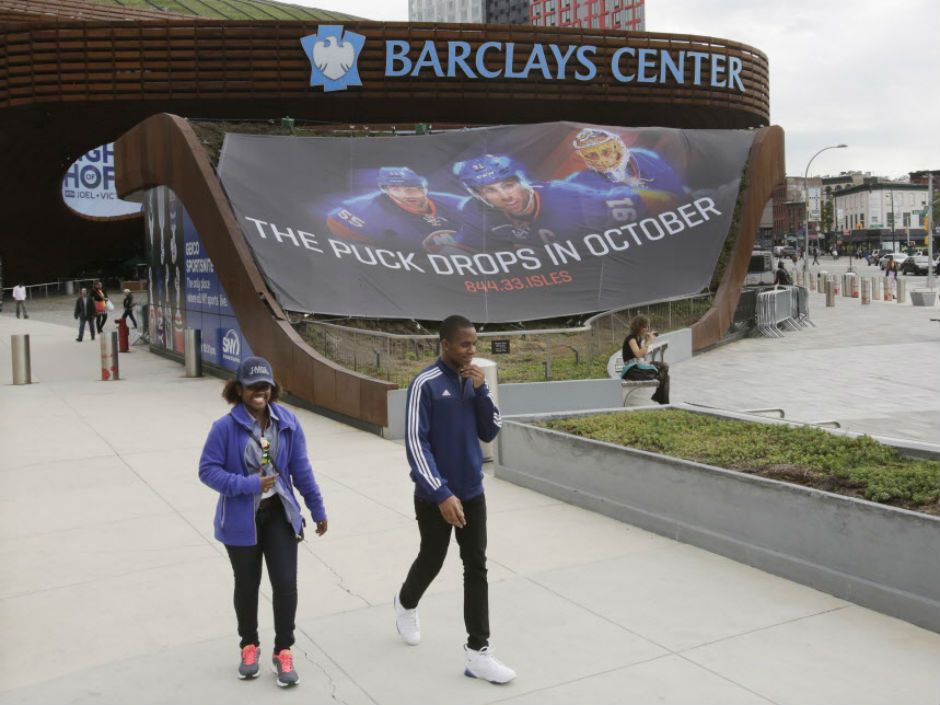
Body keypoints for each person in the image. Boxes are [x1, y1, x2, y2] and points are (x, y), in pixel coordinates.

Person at [393, 314, 515, 685]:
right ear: (444, 344)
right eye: (465, 344)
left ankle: (478, 652)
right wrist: (441, 492)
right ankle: (406, 603)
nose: (472, 351)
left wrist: (481, 392)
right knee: (432, 558)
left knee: (475, 567)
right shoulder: (425, 384)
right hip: (435, 497)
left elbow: (491, 428)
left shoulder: (474, 381)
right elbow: (416, 443)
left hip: (472, 492)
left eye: (475, 344)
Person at [198, 357, 328, 688]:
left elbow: (301, 469)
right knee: (247, 584)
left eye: (265, 385)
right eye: (253, 386)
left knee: (285, 584)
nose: (260, 391)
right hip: (241, 520)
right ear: (238, 389)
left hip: (279, 516)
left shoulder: (287, 422)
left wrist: (317, 508)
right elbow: (207, 471)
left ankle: (283, 650)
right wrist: (249, 484)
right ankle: (249, 645)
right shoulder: (224, 429)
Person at [447, 154, 610, 252]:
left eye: (508, 185)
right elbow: (464, 248)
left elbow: (625, 208)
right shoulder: (475, 211)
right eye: (490, 190)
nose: (505, 196)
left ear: (522, 181)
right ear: (479, 196)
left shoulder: (564, 195)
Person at [325, 166, 465, 250]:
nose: (406, 194)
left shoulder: (456, 203)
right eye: (396, 189)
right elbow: (336, 222)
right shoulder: (363, 210)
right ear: (385, 190)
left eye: (412, 188)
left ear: (424, 188)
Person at [621, 315, 670, 405]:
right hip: (632, 370)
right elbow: (638, 354)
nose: (647, 329)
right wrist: (648, 342)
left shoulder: (638, 338)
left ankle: (660, 398)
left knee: (664, 368)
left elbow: (642, 355)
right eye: (645, 327)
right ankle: (663, 401)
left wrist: (646, 340)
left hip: (638, 366)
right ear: (639, 327)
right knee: (663, 375)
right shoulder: (631, 338)